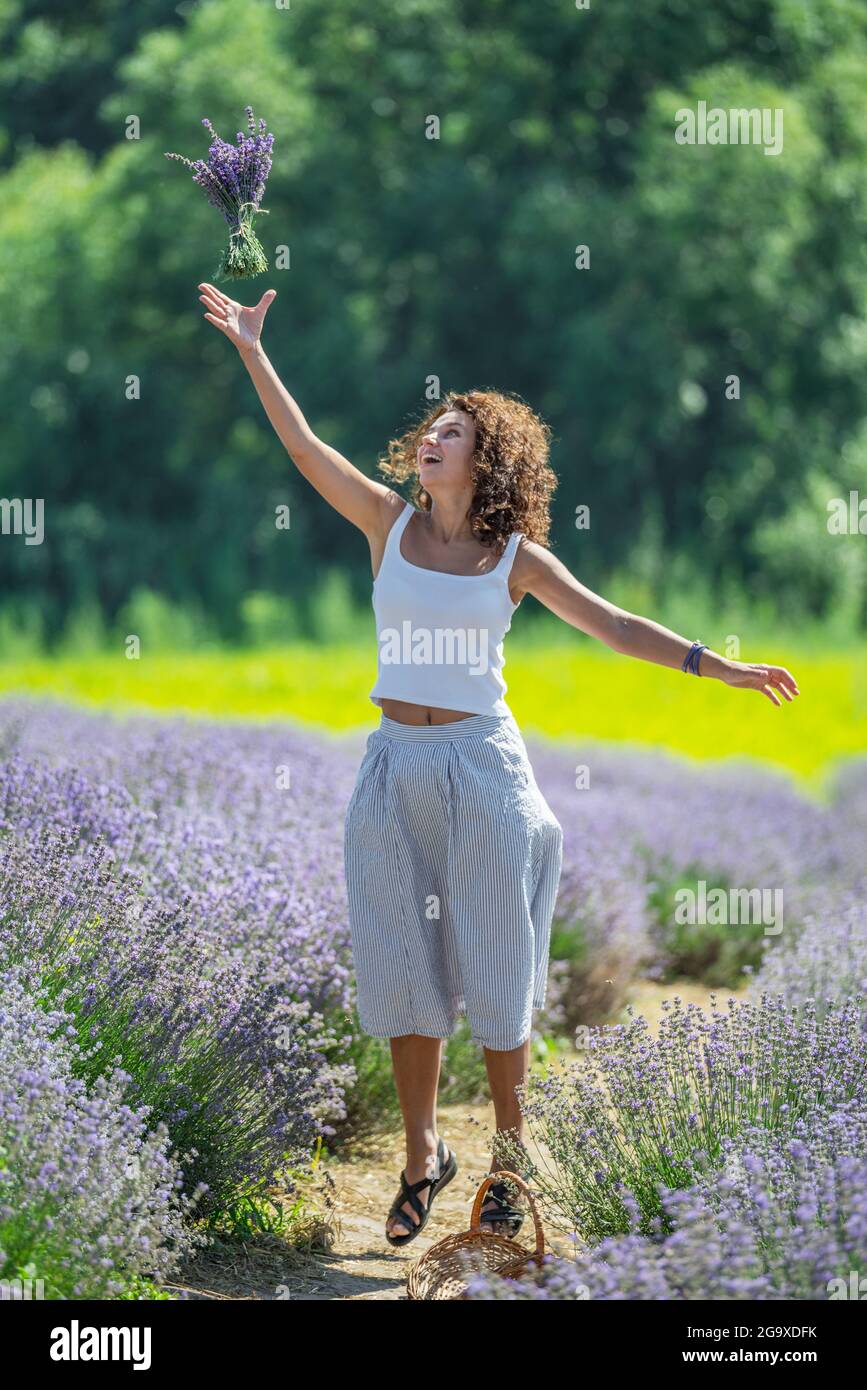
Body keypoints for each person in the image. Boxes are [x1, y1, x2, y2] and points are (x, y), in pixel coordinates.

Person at [197, 282, 801, 1248]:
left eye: (450, 433)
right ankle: (421, 1154)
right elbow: (305, 449)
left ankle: (510, 1164)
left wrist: (714, 664)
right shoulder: (383, 523)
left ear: (487, 459)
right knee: (401, 967)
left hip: (482, 769)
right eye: (427, 431)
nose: (428, 441)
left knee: (497, 966)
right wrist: (253, 352)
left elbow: (611, 624)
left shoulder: (514, 555)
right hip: (394, 768)